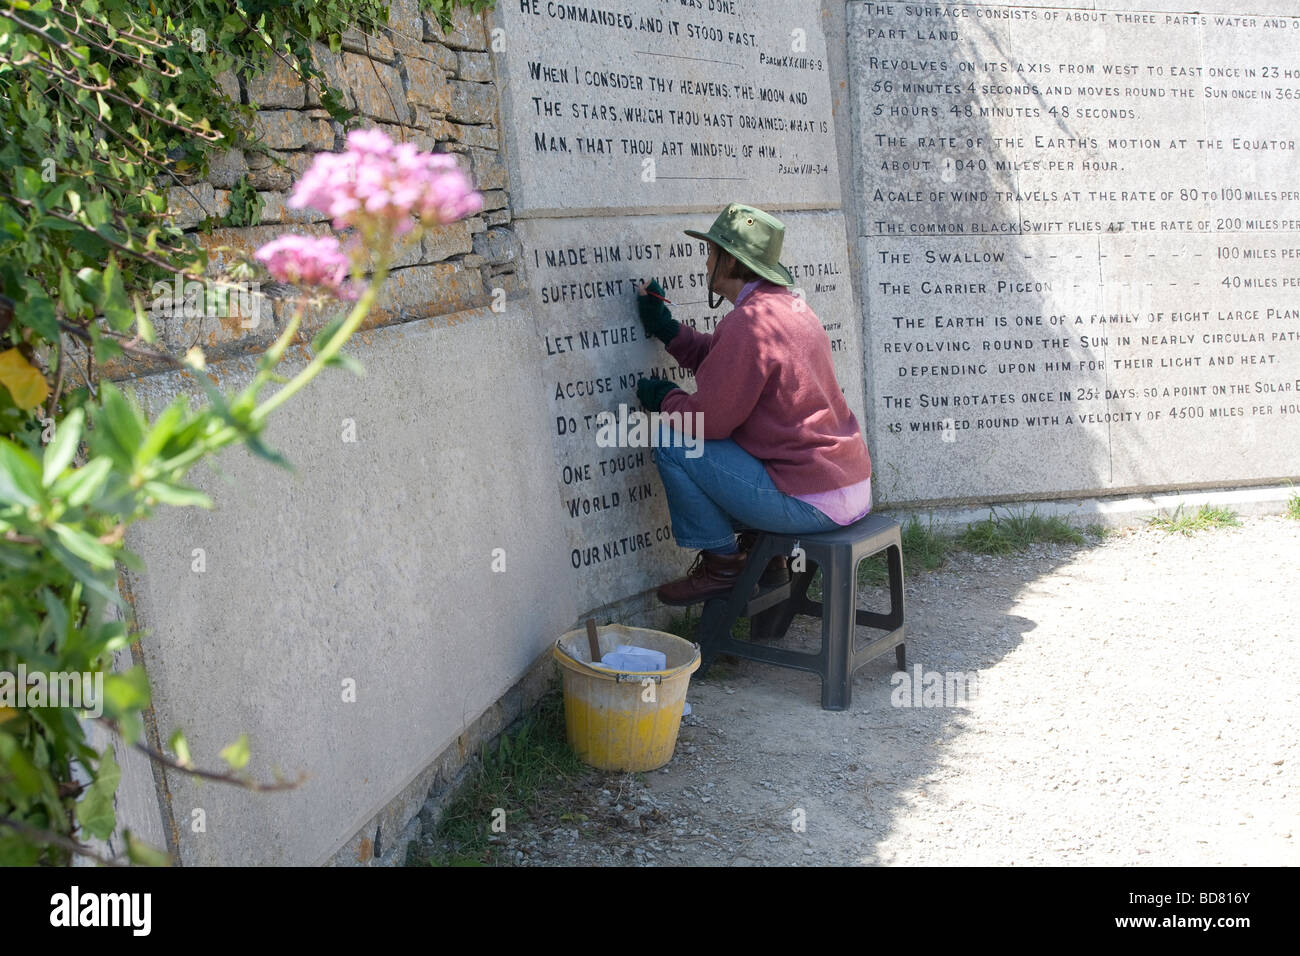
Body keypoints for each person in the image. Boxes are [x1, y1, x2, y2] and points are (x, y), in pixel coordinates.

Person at [634, 202, 873, 606]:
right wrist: (667, 329)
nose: (705, 260)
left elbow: (710, 423)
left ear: (729, 260)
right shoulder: (786, 307)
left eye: (711, 252)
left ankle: (723, 566)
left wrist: (665, 399)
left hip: (810, 501)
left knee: (673, 443)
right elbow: (729, 361)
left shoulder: (748, 323)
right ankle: (770, 563)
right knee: (744, 451)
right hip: (847, 487)